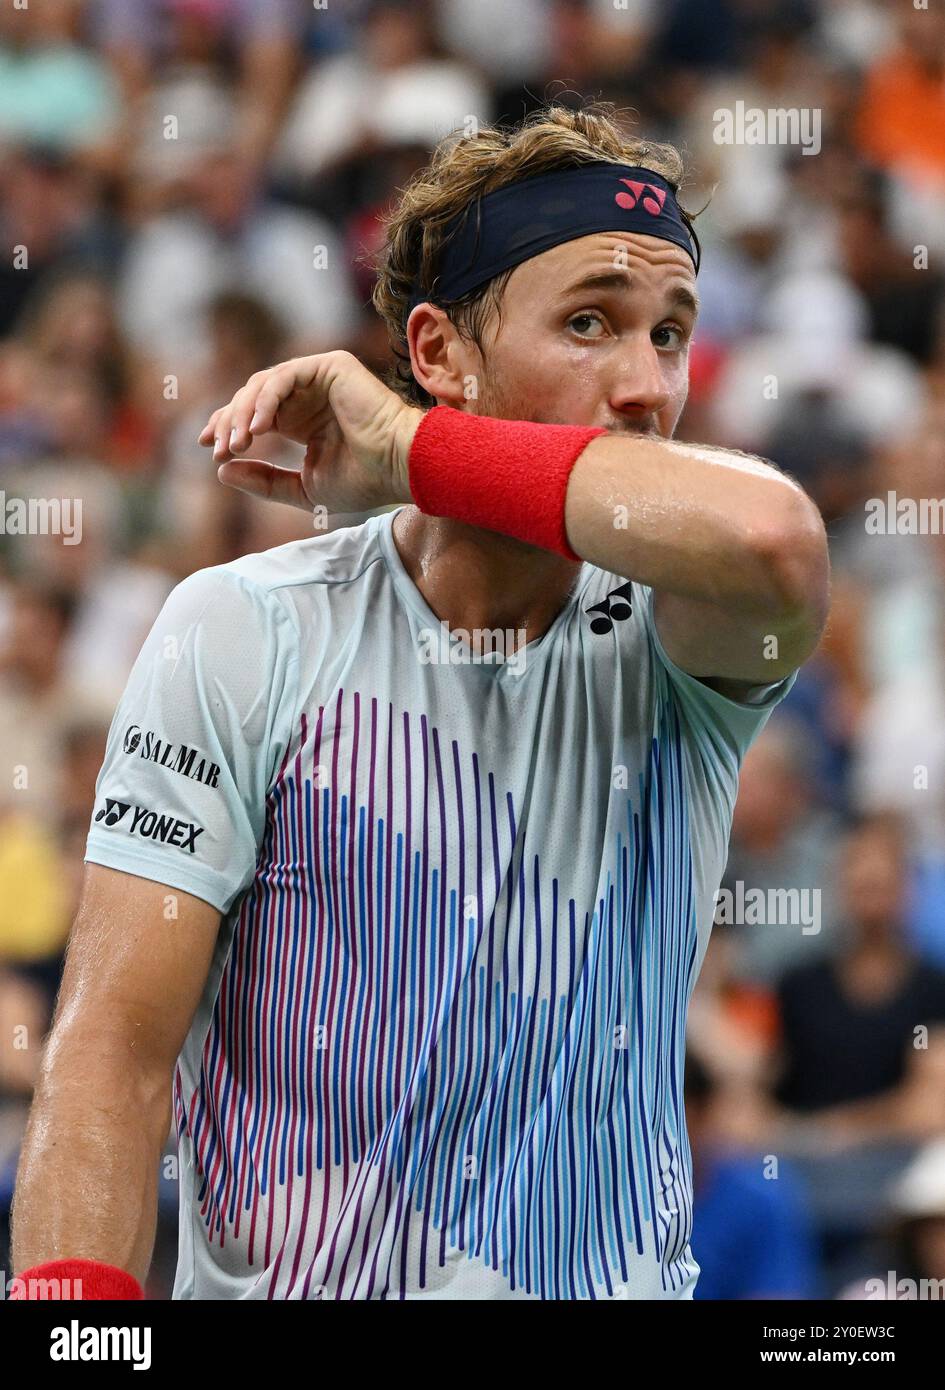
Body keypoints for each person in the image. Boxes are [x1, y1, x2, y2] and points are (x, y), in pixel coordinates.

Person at [11, 104, 829, 1301]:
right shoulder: (244, 625)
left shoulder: (675, 628)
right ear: (442, 350)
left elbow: (772, 539)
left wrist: (402, 444)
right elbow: (111, 1055)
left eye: (670, 334)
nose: (647, 383)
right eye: (591, 321)